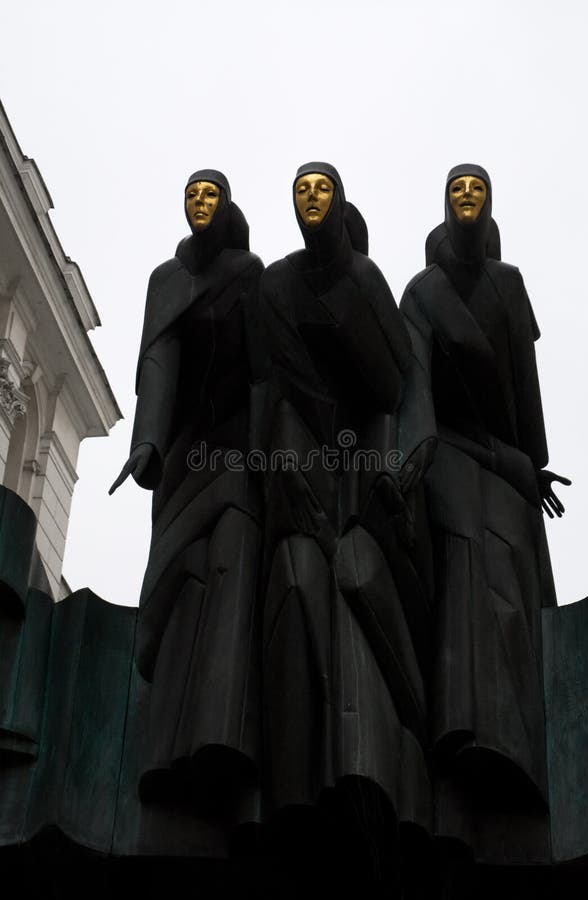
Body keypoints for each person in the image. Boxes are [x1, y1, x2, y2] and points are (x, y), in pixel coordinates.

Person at [259, 163, 435, 871]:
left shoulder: (366, 288)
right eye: (300, 188)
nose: (311, 200)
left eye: (322, 189)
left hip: (361, 475)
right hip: (306, 467)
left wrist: (379, 474)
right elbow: (277, 383)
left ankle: (366, 775)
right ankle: (299, 783)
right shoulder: (275, 286)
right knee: (300, 579)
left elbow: (392, 386)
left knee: (352, 586)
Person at [400, 163, 570, 808]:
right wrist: (413, 449)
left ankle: (517, 739)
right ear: (445, 205)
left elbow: (526, 384)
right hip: (446, 454)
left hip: (506, 462)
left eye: (477, 188)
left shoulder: (508, 284)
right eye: (456, 189)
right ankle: (459, 728)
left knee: (511, 575)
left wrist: (533, 464)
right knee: (466, 565)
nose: (466, 196)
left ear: (489, 203)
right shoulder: (420, 293)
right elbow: (413, 387)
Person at [110, 169, 265, 817]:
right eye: (191, 197)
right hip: (182, 458)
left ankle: (221, 734)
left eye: (210, 196)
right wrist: (145, 443)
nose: (200, 205)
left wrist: (263, 447)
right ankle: (167, 748)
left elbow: (263, 365)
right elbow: (158, 363)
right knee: (181, 582)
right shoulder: (165, 281)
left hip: (236, 450)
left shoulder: (250, 271)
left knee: (229, 572)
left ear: (225, 207)